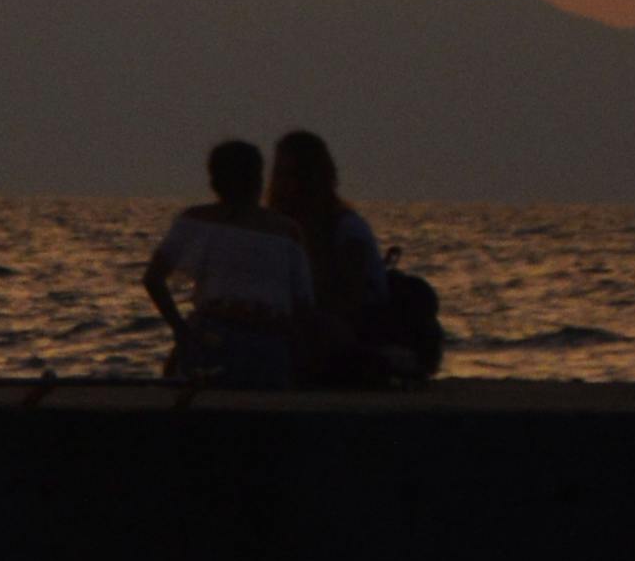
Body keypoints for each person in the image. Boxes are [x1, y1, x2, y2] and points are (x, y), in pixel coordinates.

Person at [140, 135, 314, 388]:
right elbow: (304, 304)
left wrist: (180, 329)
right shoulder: (287, 232)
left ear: (214, 181)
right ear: (257, 179)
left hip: (211, 338)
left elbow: (153, 279)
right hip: (268, 345)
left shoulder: (194, 221)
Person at [269, 128, 435, 384]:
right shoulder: (283, 228)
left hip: (355, 326)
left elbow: (351, 300)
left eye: (290, 175)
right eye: (278, 174)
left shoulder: (347, 228)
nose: (280, 184)